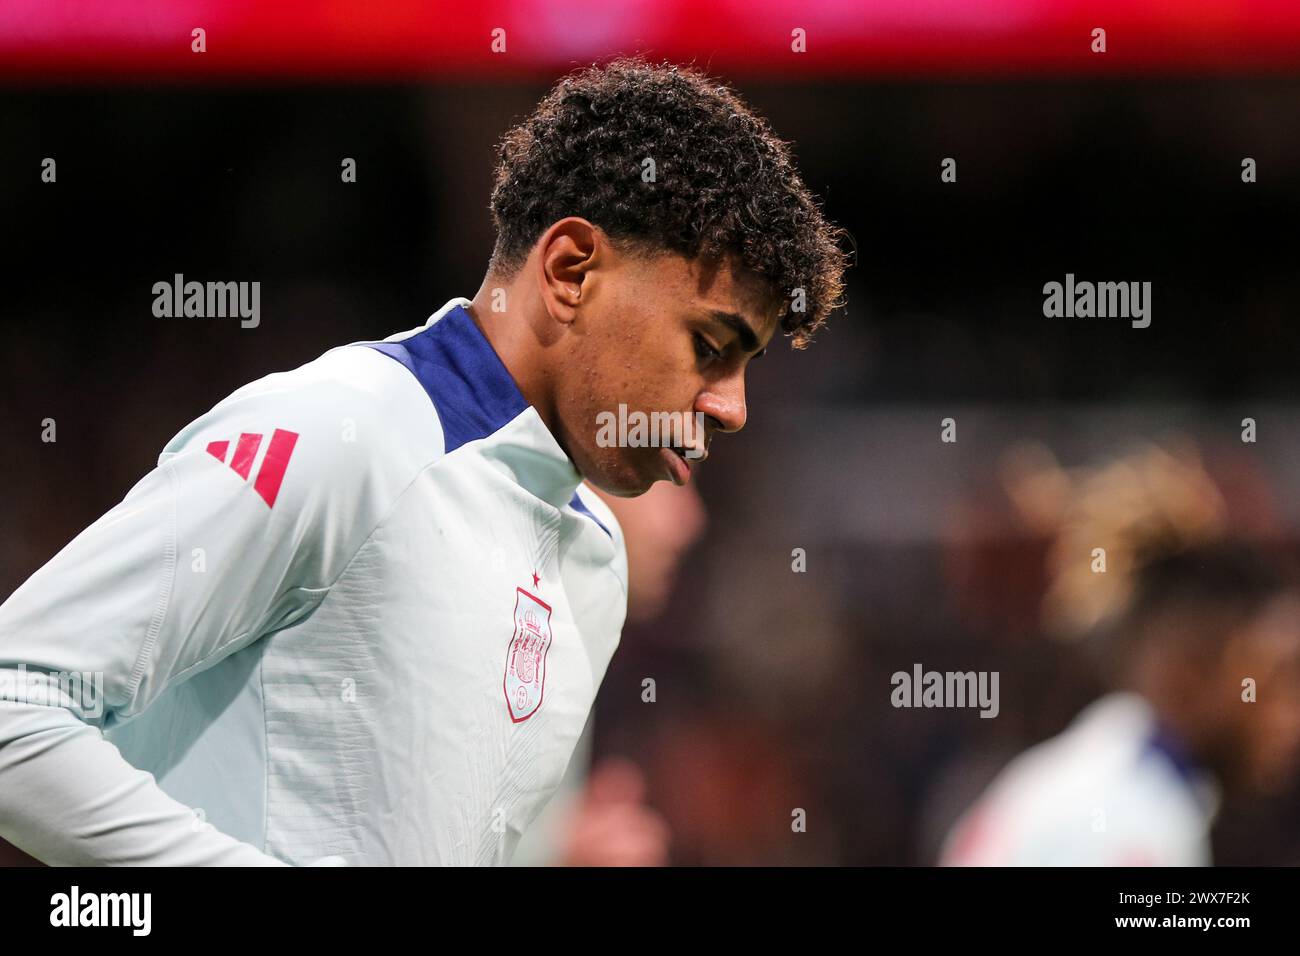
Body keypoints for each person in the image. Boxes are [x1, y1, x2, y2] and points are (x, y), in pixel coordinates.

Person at [0, 57, 847, 865]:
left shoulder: (594, 565)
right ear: (570, 269)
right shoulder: (342, 432)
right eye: (709, 345)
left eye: (746, 367)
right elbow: (15, 704)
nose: (732, 407)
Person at [941, 447, 1300, 866]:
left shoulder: (1079, 780)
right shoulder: (1130, 821)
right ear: (1190, 673)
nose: (1291, 714)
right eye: (1280, 676)